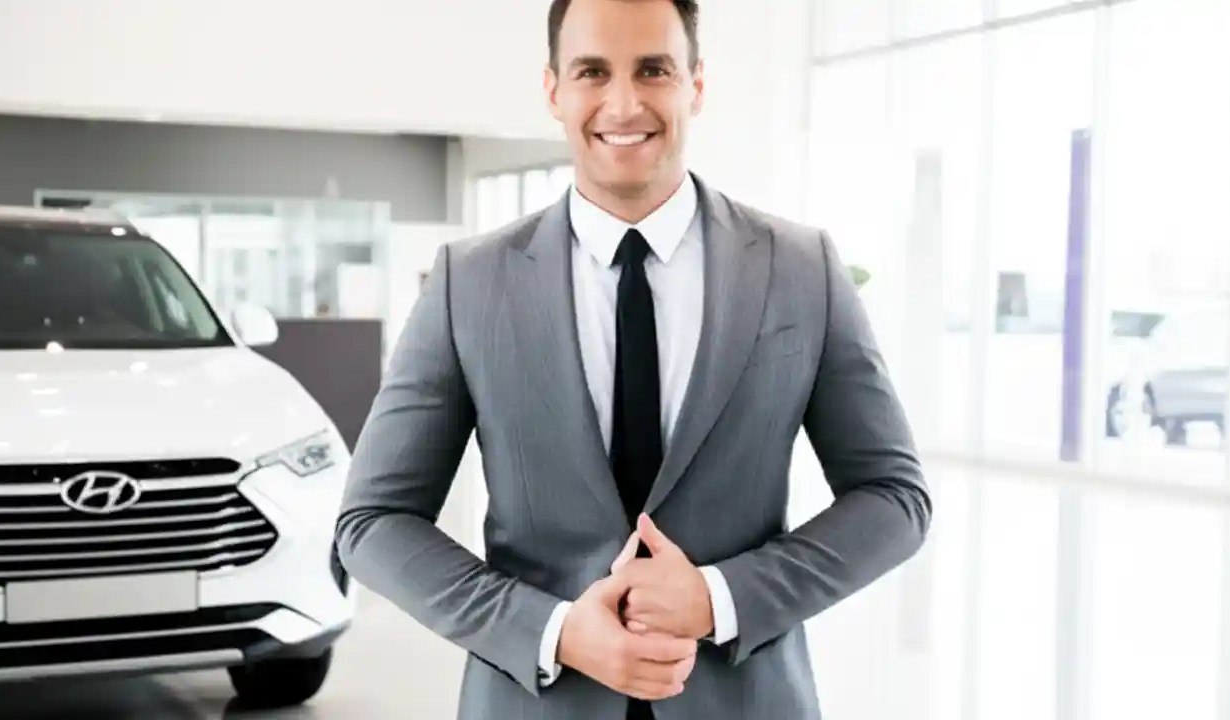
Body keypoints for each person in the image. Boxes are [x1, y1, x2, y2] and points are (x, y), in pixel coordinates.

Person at [334, 0, 932, 717]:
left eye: (654, 69)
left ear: (696, 85)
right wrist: (551, 631)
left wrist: (720, 597)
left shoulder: (801, 269)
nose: (624, 103)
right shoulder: (470, 283)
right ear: (554, 89)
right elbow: (373, 522)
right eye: (593, 71)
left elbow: (894, 497)